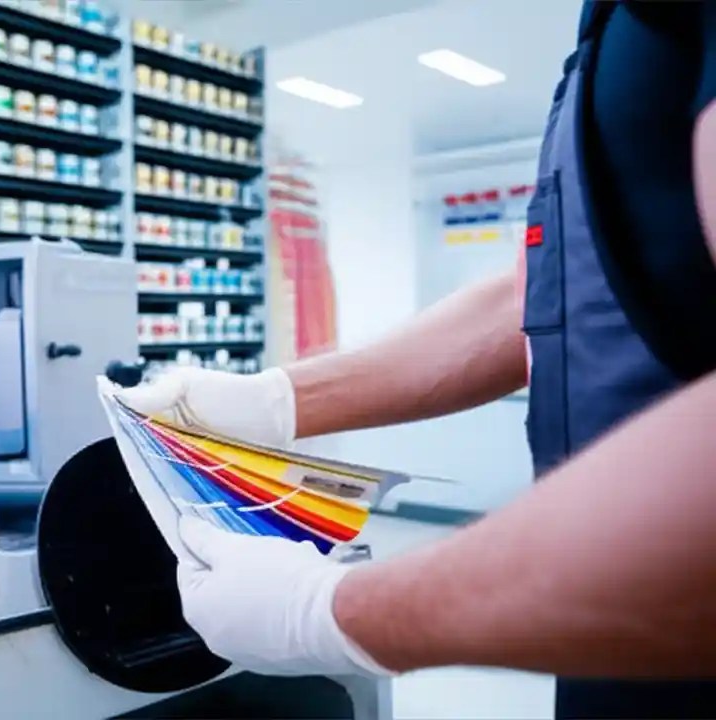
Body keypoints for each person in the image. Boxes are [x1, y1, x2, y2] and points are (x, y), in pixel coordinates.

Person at [120, 2, 716, 718]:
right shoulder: (619, 32)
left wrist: (335, 612)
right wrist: (276, 397)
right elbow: (543, 294)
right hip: (620, 661)